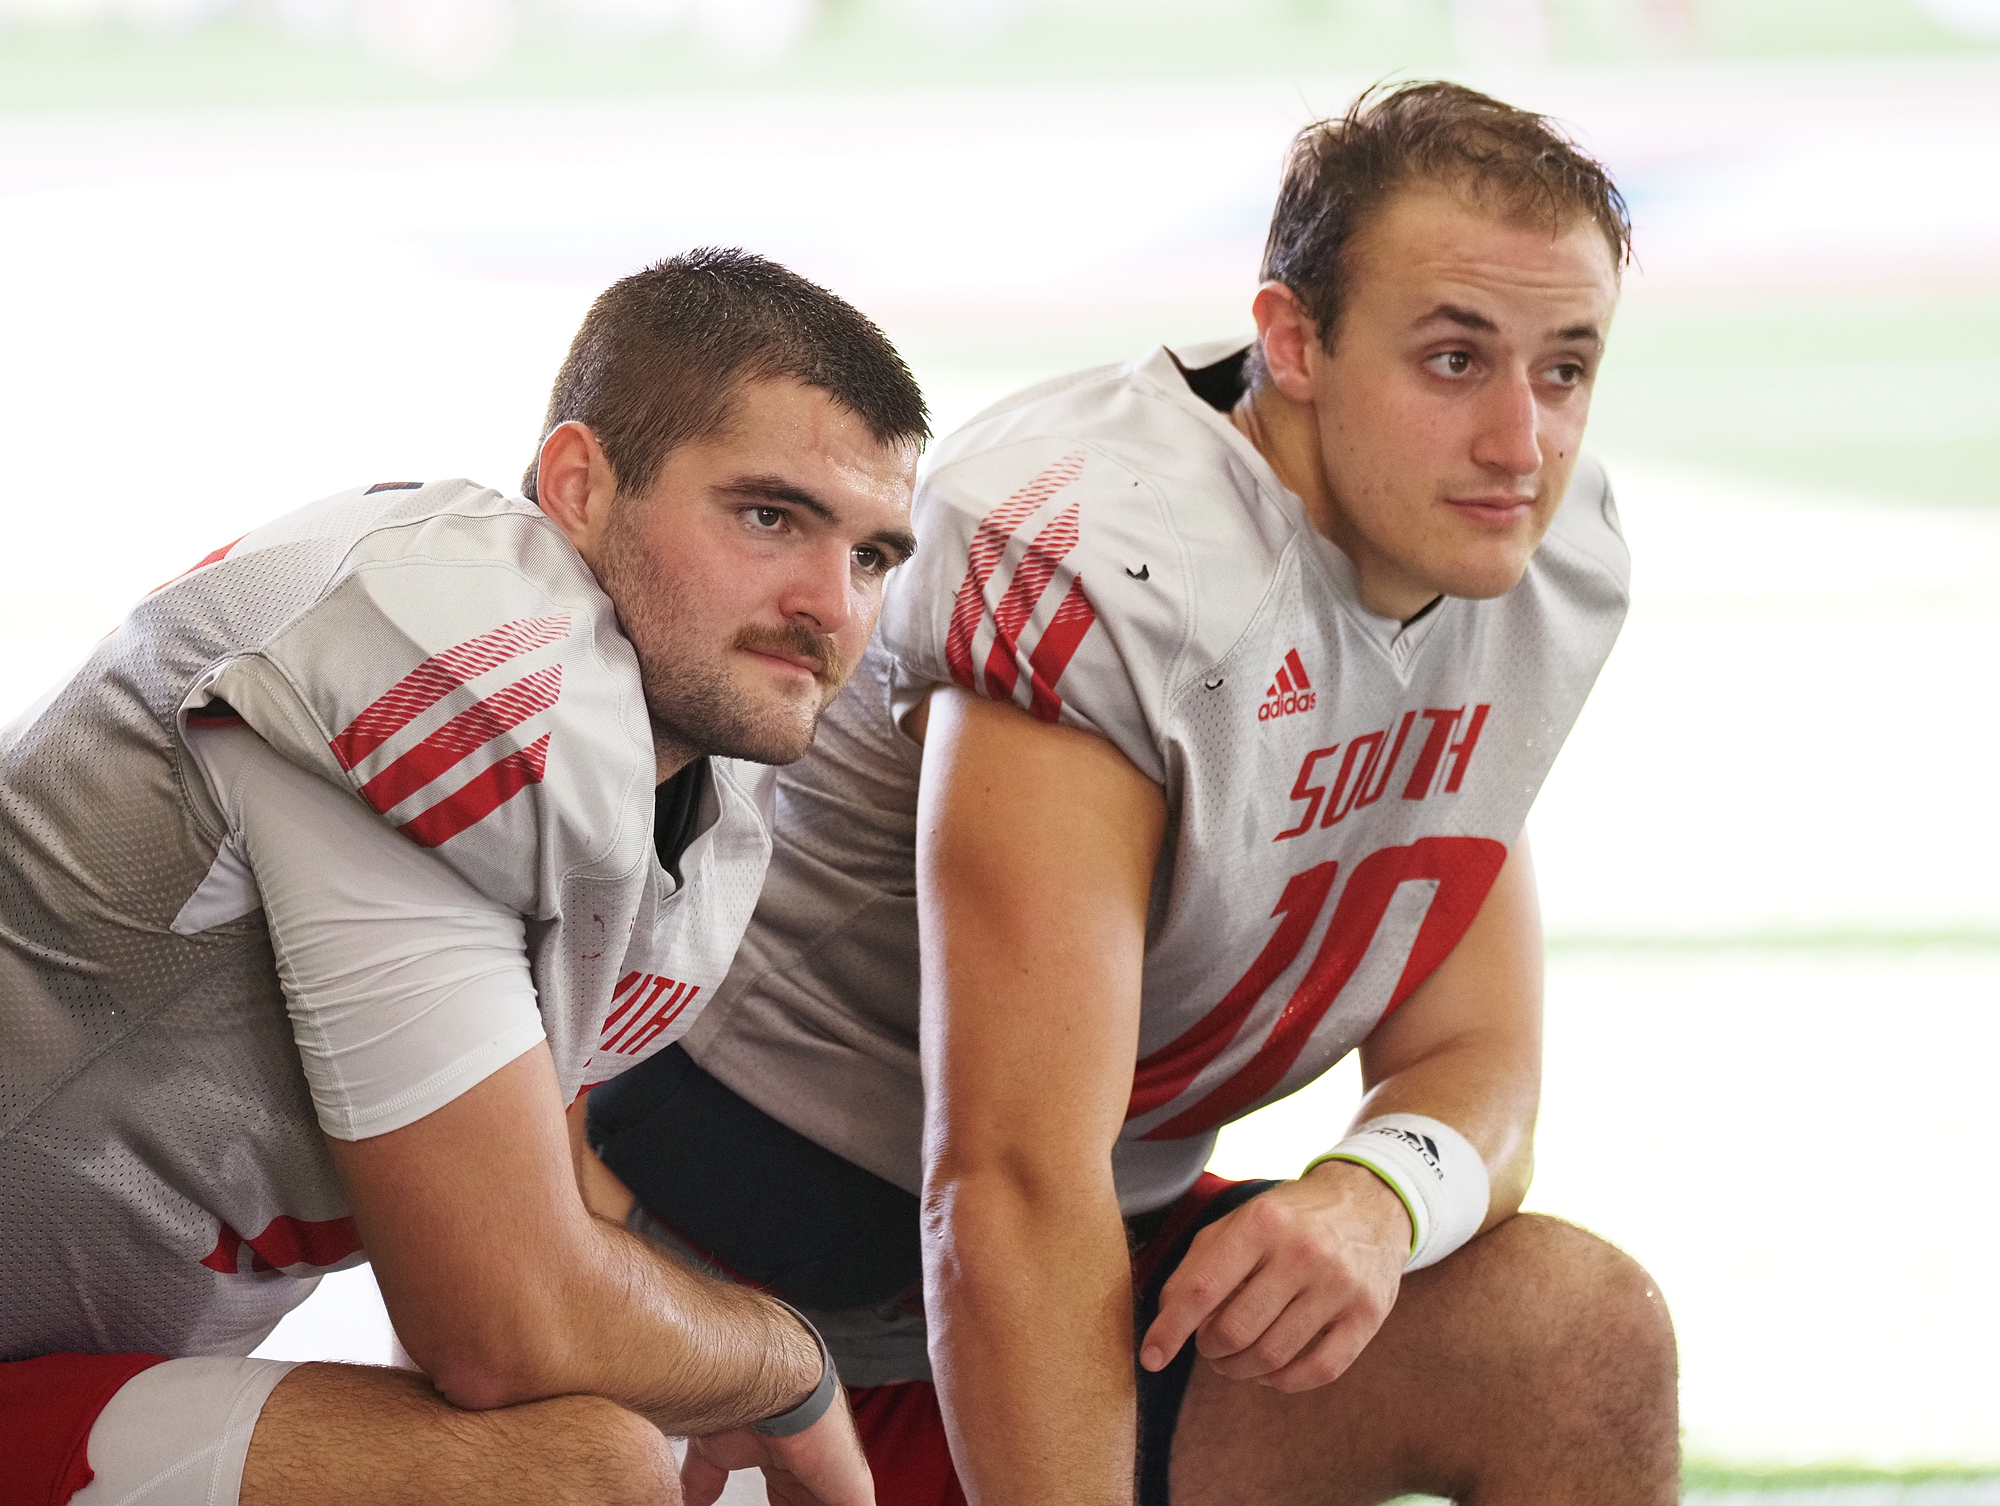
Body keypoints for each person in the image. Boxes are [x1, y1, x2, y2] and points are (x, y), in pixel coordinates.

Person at [586, 83, 1680, 1505]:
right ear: (1292, 342)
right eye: (1455, 358)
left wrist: (1377, 1192)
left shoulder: (1530, 556)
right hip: (740, 1295)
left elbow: (1476, 1057)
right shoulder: (1117, 558)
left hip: (1089, 1266)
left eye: (1565, 369)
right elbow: (1006, 1186)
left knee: (1574, 1339)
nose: (1519, 445)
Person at [0, 248, 928, 1506]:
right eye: (769, 516)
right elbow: (501, 1325)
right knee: (575, 1470)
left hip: (65, 1357)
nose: (828, 604)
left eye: (873, 556)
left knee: (615, 1429)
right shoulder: (461, 659)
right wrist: (785, 1365)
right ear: (579, 485)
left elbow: (527, 1214)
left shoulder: (680, 756)